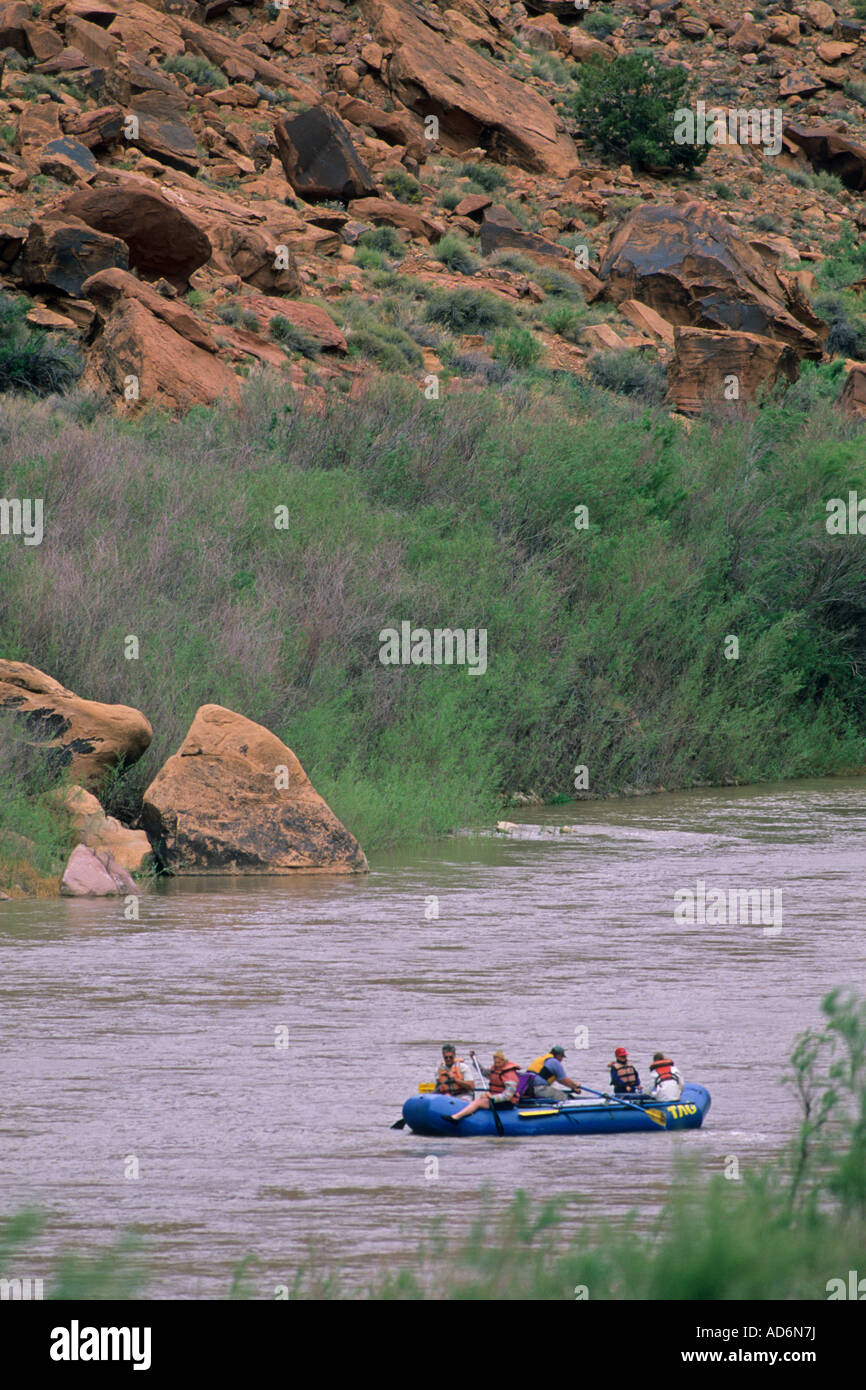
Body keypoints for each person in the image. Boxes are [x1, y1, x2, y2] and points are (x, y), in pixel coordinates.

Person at [449, 1050, 521, 1122]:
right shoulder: (495, 1070)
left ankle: (456, 1118)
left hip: (507, 1102)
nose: (497, 1065)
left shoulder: (510, 1074)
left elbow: (509, 1095)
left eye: (499, 1063)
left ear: (504, 1061)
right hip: (497, 1100)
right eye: (495, 1063)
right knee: (482, 1096)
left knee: (478, 1102)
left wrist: (493, 1098)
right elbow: (482, 1071)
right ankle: (470, 1114)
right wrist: (474, 1060)